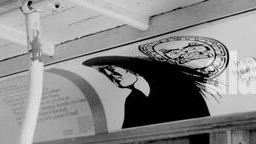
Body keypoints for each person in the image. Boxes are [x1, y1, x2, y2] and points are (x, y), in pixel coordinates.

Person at [82, 54, 215, 129]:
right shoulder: (133, 101)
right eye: (102, 71)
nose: (109, 75)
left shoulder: (176, 87)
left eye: (111, 69)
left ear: (130, 68)